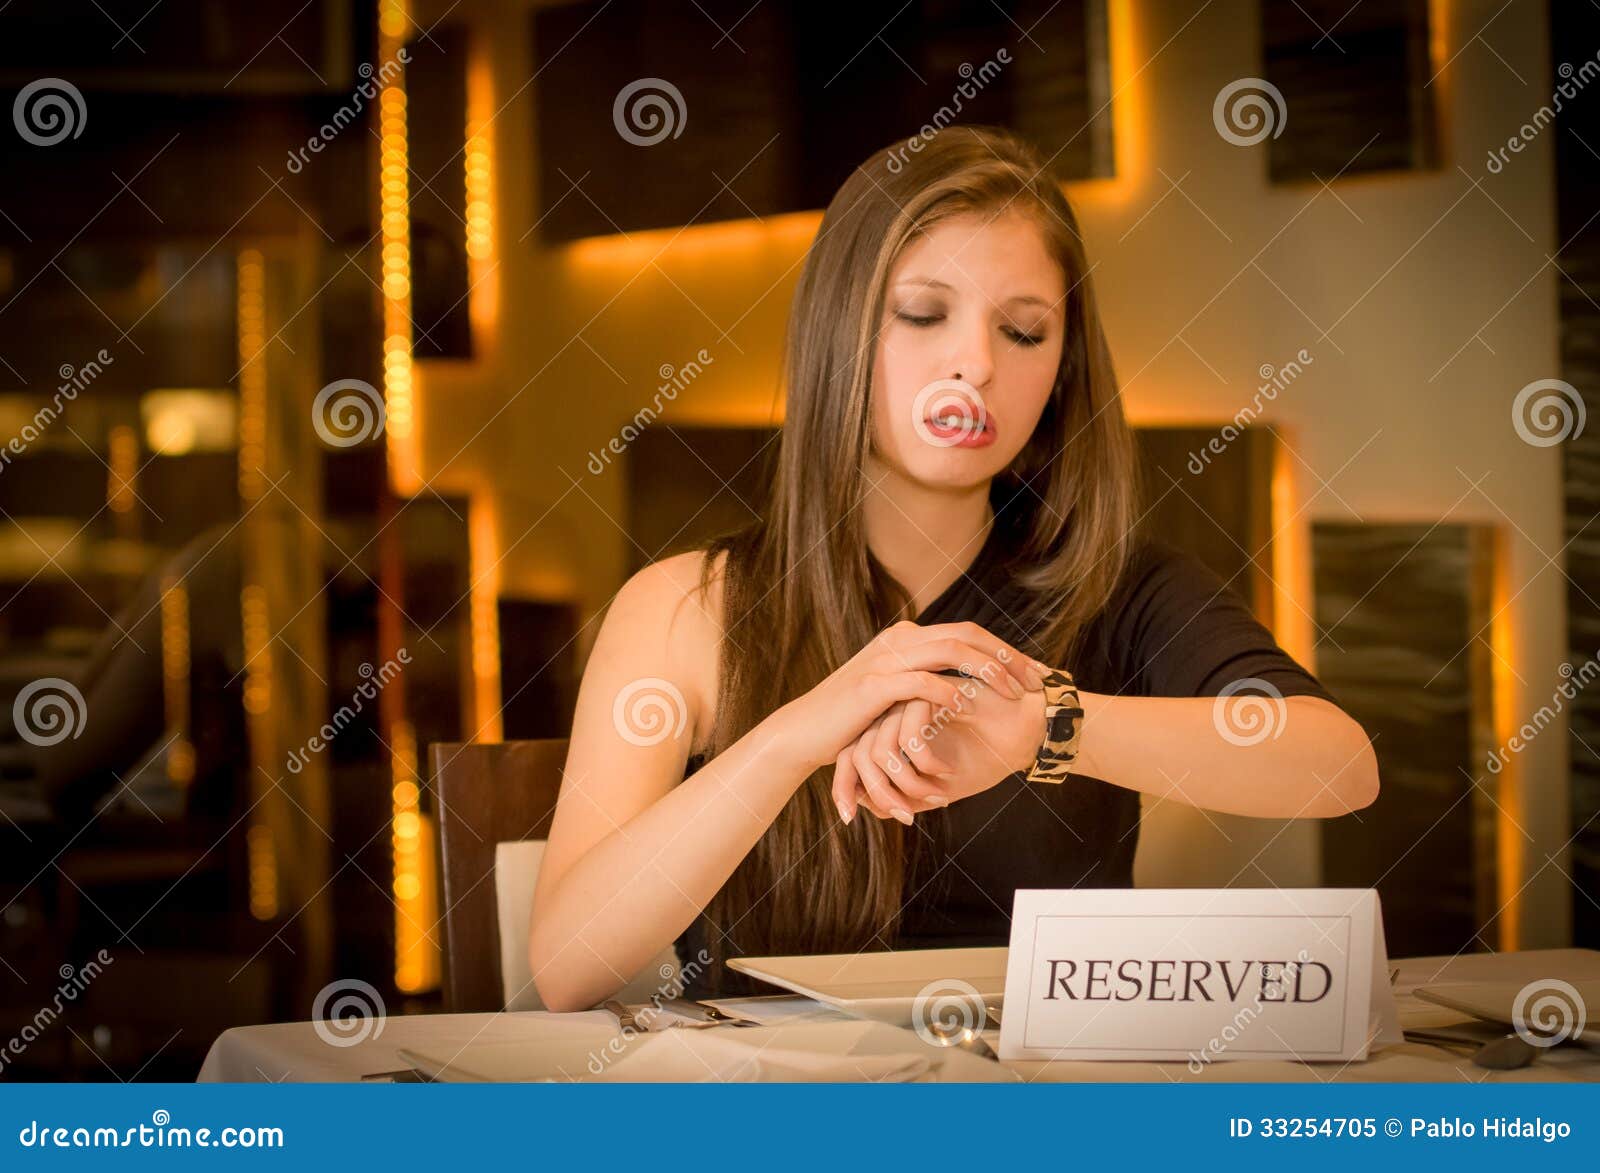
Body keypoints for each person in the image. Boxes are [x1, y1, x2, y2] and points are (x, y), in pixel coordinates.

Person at [527, 125, 1379, 1012]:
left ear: (1061, 370)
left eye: (1022, 331)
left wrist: (1051, 727)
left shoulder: (1120, 586)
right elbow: (568, 966)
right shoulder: (688, 605)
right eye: (924, 313)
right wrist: (790, 737)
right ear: (839, 332)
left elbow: (1340, 764)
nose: (975, 363)